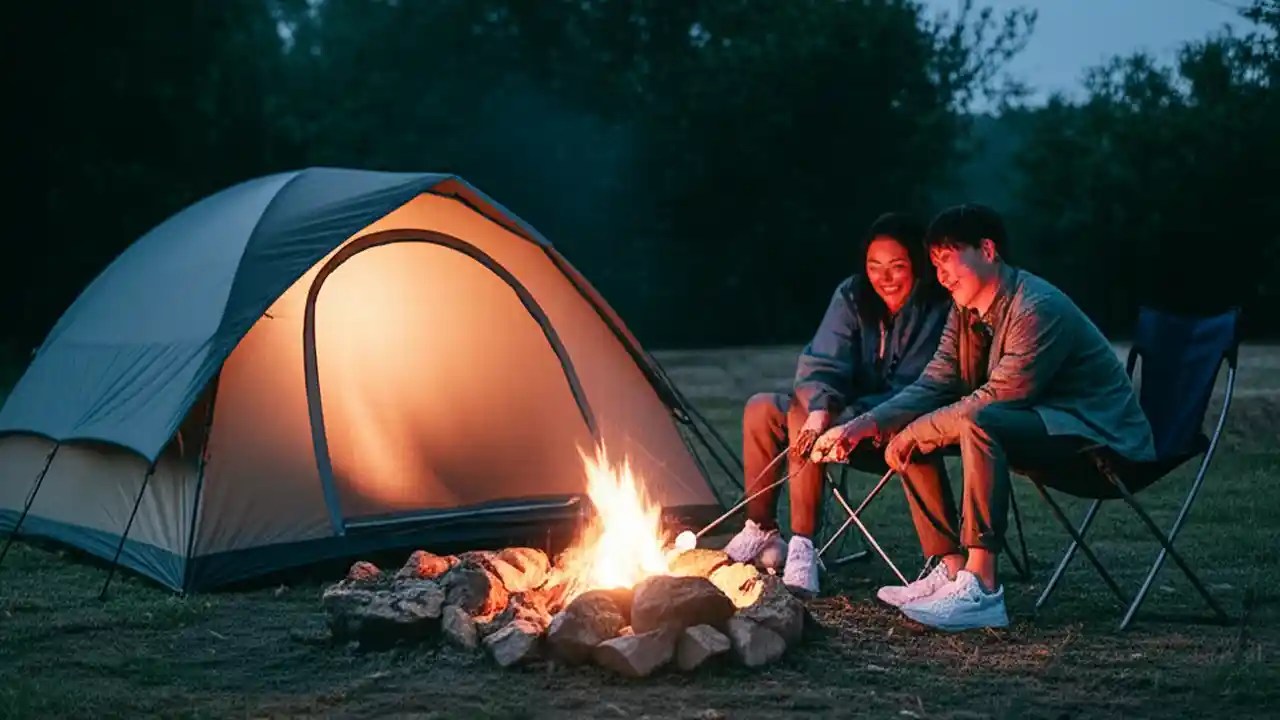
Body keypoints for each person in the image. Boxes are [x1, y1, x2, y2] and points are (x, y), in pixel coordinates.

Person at [815, 203, 1155, 631]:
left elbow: (1001, 396)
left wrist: (917, 432)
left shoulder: (1036, 308)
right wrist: (867, 424)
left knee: (979, 421)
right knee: (920, 429)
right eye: (934, 263)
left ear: (987, 250)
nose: (941, 274)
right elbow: (935, 382)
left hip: (1097, 441)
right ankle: (952, 568)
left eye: (948, 258)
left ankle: (982, 589)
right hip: (1044, 424)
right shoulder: (965, 311)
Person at [723, 211, 951, 596]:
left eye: (897, 266)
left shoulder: (937, 309)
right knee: (764, 407)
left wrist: (852, 415)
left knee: (808, 415)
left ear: (918, 265)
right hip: (836, 418)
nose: (885, 277)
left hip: (893, 424)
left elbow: (921, 387)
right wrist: (822, 409)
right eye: (874, 266)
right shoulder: (853, 296)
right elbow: (824, 362)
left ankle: (804, 545)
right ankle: (763, 530)